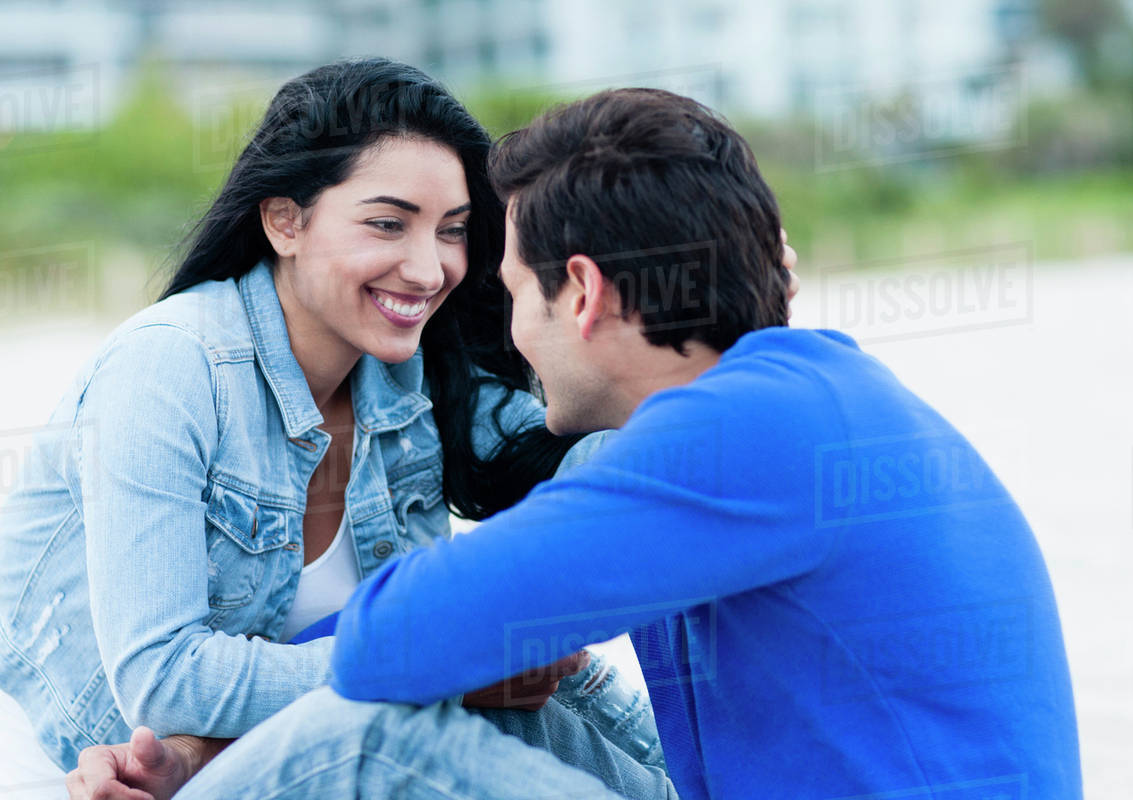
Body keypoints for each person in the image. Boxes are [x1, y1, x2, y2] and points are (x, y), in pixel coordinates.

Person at [168, 88, 1085, 799]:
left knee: (369, 746)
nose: (514, 337)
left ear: (585, 292)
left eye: (515, 296)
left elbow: (391, 640)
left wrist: (205, 752)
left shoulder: (740, 434)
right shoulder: (799, 403)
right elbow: (455, 622)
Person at [0, 59, 672, 800]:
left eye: (452, 231)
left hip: (297, 755)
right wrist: (441, 663)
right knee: (428, 710)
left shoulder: (408, 375)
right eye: (388, 224)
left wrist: (724, 340)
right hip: (101, 776)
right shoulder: (170, 366)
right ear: (284, 220)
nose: (428, 269)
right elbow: (164, 682)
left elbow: (609, 468)